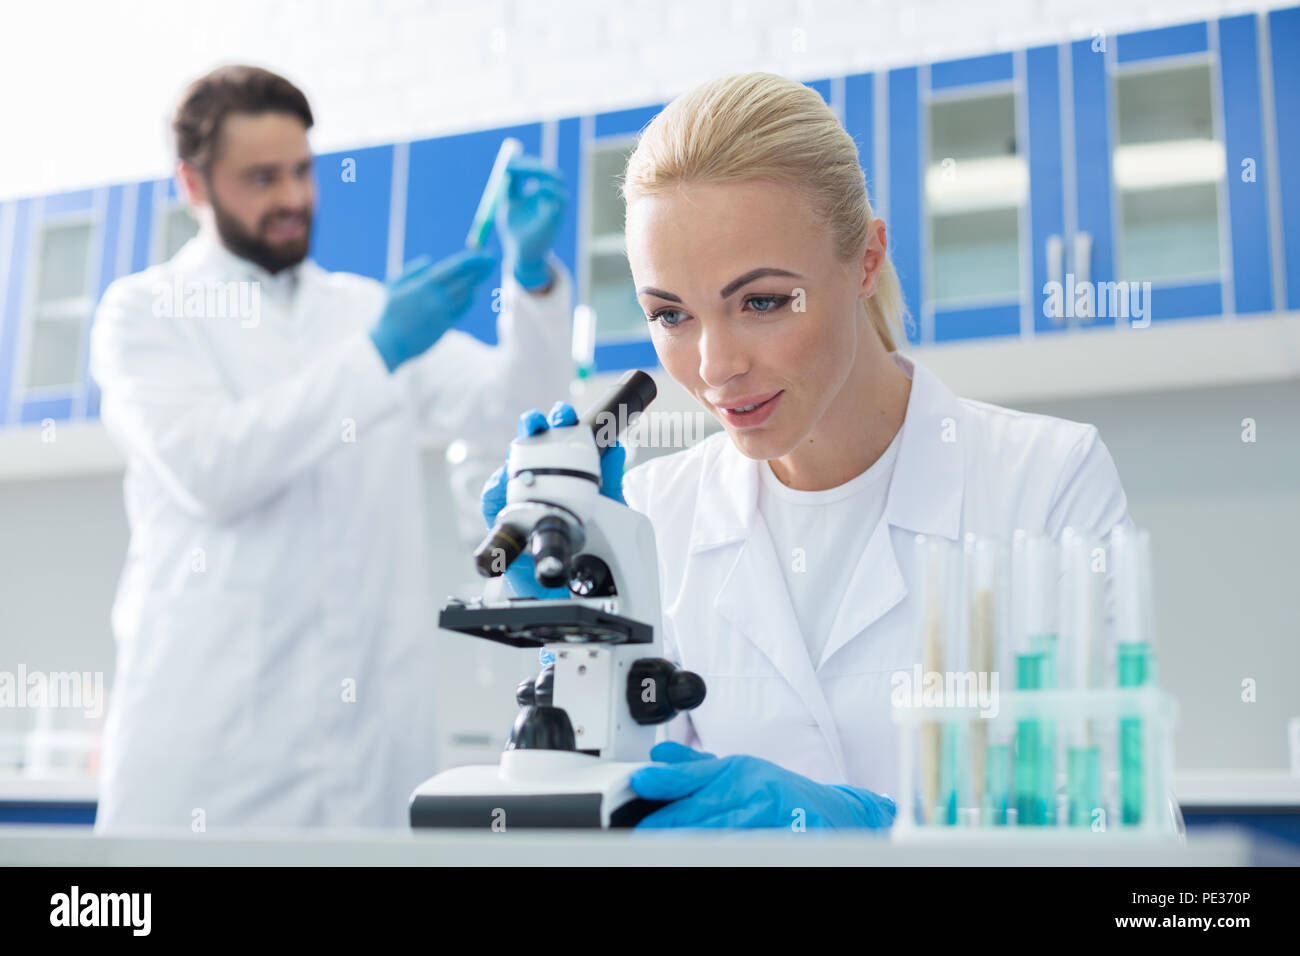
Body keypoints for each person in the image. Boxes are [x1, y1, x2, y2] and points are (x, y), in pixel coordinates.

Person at [484, 73, 1132, 828]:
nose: (715, 365)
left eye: (761, 302)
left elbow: (1127, 837)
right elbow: (628, 813)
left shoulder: (1044, 485)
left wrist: (875, 835)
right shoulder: (655, 516)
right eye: (671, 315)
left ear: (864, 259)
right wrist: (590, 634)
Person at [89, 65, 572, 830]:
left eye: (301, 171)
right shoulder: (145, 313)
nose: (291, 198)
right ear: (192, 182)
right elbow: (212, 469)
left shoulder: (367, 307)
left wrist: (533, 278)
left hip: (371, 745)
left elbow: (513, 409)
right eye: (261, 177)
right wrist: (379, 351)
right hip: (209, 759)